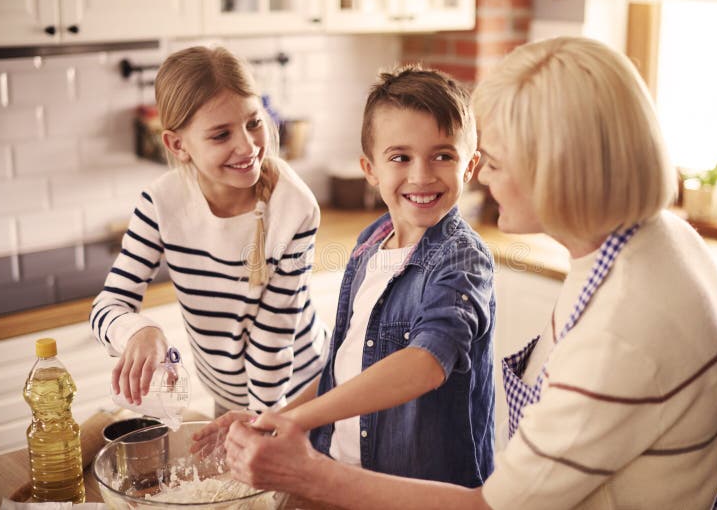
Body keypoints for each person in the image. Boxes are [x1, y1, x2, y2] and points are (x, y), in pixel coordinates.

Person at [221, 37, 717, 509]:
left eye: (492, 158)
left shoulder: (623, 329)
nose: (483, 174)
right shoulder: (655, 240)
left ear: (557, 166)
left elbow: (491, 509)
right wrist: (283, 421)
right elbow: (350, 360)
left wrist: (309, 473)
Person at [196, 64, 496, 487]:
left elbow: (425, 364)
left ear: (469, 167)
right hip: (342, 479)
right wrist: (275, 419)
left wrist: (298, 419)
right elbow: (343, 366)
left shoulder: (462, 261)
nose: (422, 175)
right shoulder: (370, 243)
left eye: (443, 155)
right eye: (400, 157)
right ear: (370, 170)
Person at [90, 46, 329, 417]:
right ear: (177, 145)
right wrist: (139, 331)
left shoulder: (294, 206)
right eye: (221, 135)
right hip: (229, 397)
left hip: (301, 396)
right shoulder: (161, 203)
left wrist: (265, 425)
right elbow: (108, 305)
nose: (247, 146)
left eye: (254, 122)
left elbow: (272, 339)